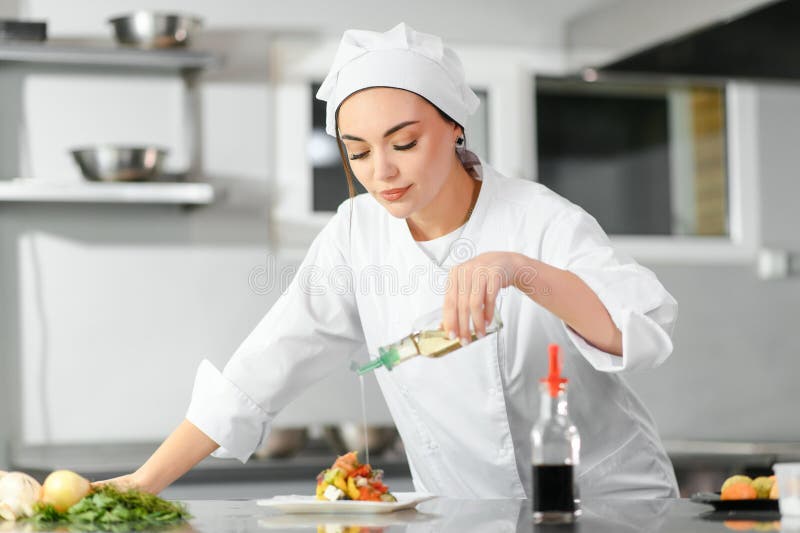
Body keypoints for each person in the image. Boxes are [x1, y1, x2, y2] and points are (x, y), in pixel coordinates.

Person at [102, 23, 679, 499]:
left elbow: (638, 327)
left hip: (607, 505)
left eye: (403, 143)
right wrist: (140, 483)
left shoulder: (539, 218)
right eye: (357, 152)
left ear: (454, 126)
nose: (381, 171)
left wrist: (519, 270)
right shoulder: (356, 235)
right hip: (466, 514)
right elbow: (260, 370)